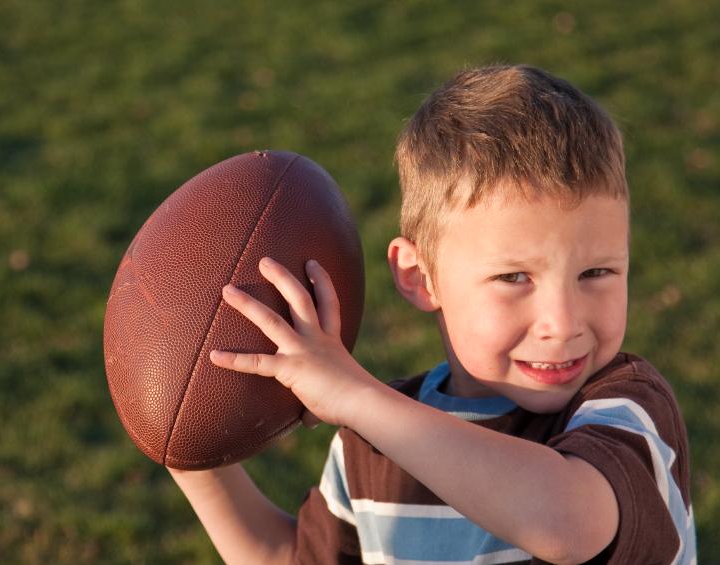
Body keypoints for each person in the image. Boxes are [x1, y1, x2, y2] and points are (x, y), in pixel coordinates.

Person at [169, 65, 697, 564]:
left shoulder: (624, 408)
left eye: (597, 272)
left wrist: (356, 397)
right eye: (515, 278)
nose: (563, 323)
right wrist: (186, 452)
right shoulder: (371, 445)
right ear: (420, 277)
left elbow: (566, 523)